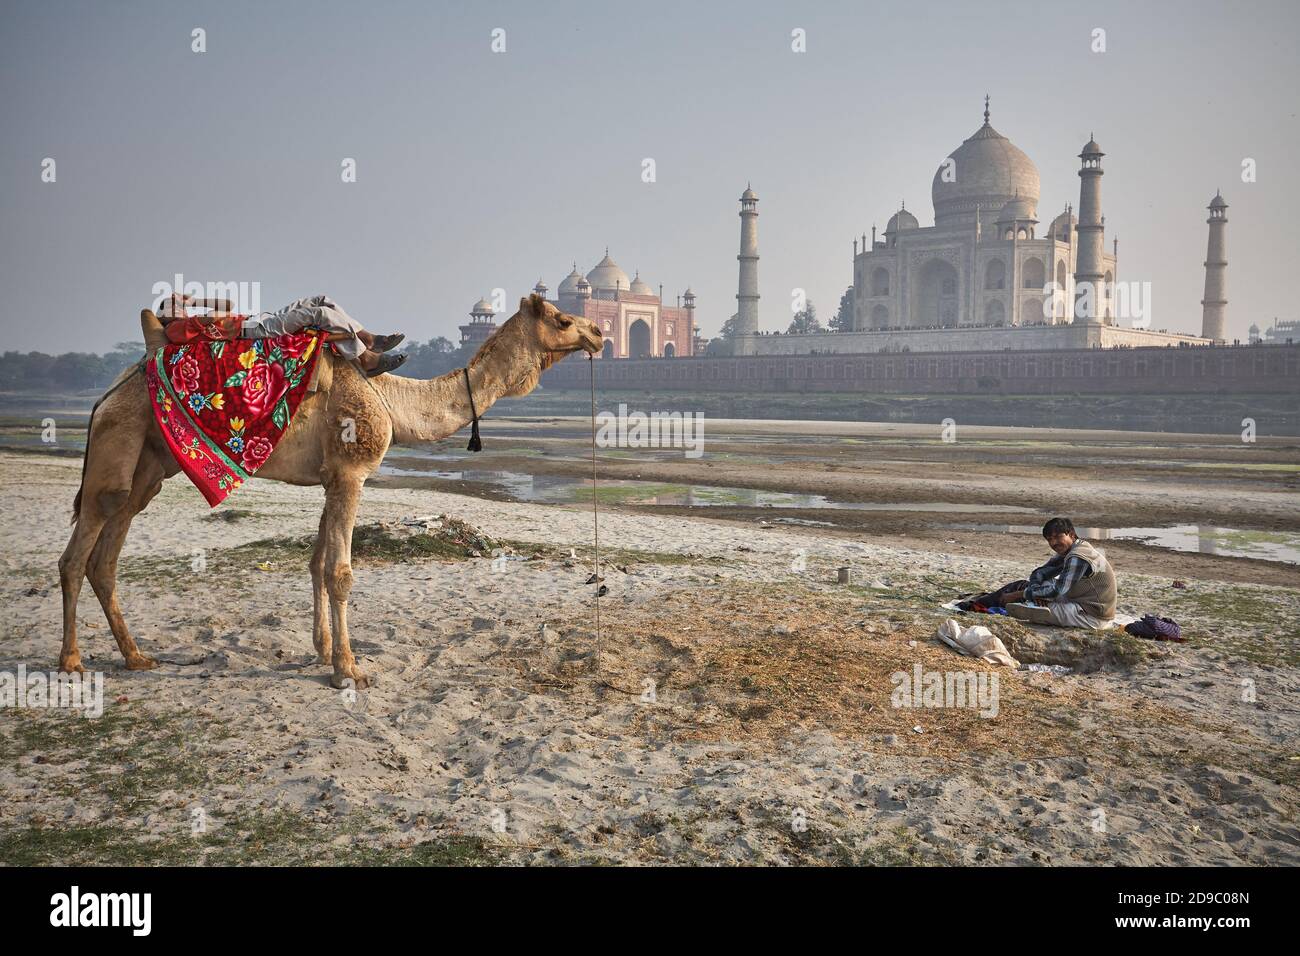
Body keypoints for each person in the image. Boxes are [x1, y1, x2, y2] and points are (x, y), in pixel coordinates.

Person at [158, 293, 406, 376]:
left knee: (321, 299)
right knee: (319, 313)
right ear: (167, 316)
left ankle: (369, 338)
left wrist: (193, 300)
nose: (175, 303)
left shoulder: (187, 318)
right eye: (171, 305)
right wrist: (188, 310)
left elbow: (228, 304)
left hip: (259, 320)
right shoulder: (177, 327)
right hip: (254, 332)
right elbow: (213, 317)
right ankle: (365, 359)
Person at [1002, 517, 1117, 630]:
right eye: (1049, 539)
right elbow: (1040, 573)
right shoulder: (1073, 549)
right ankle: (1034, 602)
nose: (1053, 543)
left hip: (1094, 616)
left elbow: (1056, 591)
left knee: (1037, 611)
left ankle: (1032, 605)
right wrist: (1035, 590)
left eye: (1058, 537)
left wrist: (1018, 594)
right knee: (1045, 584)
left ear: (1071, 535)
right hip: (1079, 601)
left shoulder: (1078, 556)